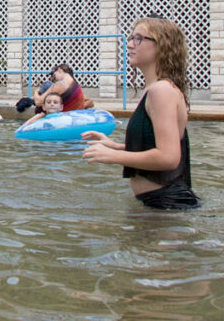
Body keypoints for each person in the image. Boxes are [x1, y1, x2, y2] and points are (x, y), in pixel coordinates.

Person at [81, 18, 200, 210]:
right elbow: (155, 144)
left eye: (138, 39)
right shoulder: (154, 89)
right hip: (160, 204)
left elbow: (169, 157)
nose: (129, 44)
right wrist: (117, 146)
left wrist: (113, 156)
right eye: (131, 37)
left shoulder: (162, 91)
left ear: (162, 46)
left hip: (168, 204)